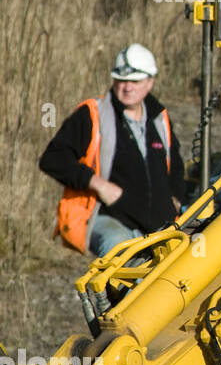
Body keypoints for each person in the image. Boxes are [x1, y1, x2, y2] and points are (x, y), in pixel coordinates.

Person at [40, 44, 186, 257]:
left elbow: (176, 165)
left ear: (150, 82)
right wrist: (100, 185)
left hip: (159, 225)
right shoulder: (93, 114)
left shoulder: (159, 118)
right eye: (121, 80)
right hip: (112, 218)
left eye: (135, 81)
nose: (127, 87)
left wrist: (176, 198)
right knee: (122, 257)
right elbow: (53, 159)